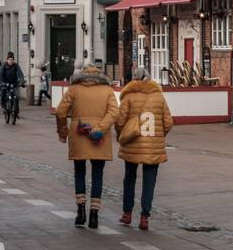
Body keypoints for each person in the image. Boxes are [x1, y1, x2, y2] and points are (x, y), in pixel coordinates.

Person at [55, 61, 119, 229]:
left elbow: (61, 111)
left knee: (79, 172)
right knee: (97, 174)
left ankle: (80, 211)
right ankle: (94, 215)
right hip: (99, 138)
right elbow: (114, 112)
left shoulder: (74, 89)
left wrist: (63, 132)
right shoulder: (107, 90)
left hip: (78, 134)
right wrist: (100, 129)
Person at [114, 65, 175, 230]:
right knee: (149, 181)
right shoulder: (159, 97)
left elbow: (119, 121)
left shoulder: (128, 97)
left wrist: (122, 135)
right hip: (153, 146)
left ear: (134, 78)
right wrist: (159, 136)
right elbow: (168, 122)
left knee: (129, 178)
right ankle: (144, 217)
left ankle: (127, 213)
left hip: (132, 143)